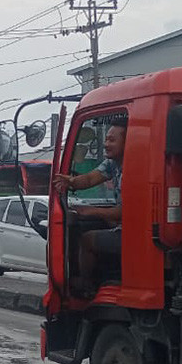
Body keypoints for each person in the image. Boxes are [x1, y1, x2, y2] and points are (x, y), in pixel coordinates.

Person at [52, 119, 127, 294]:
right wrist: (71, 182)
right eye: (106, 139)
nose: (106, 144)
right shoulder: (112, 164)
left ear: (128, 141)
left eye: (112, 140)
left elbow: (125, 212)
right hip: (126, 227)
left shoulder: (134, 168)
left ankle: (87, 286)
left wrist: (94, 211)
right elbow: (90, 179)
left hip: (134, 234)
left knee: (87, 240)